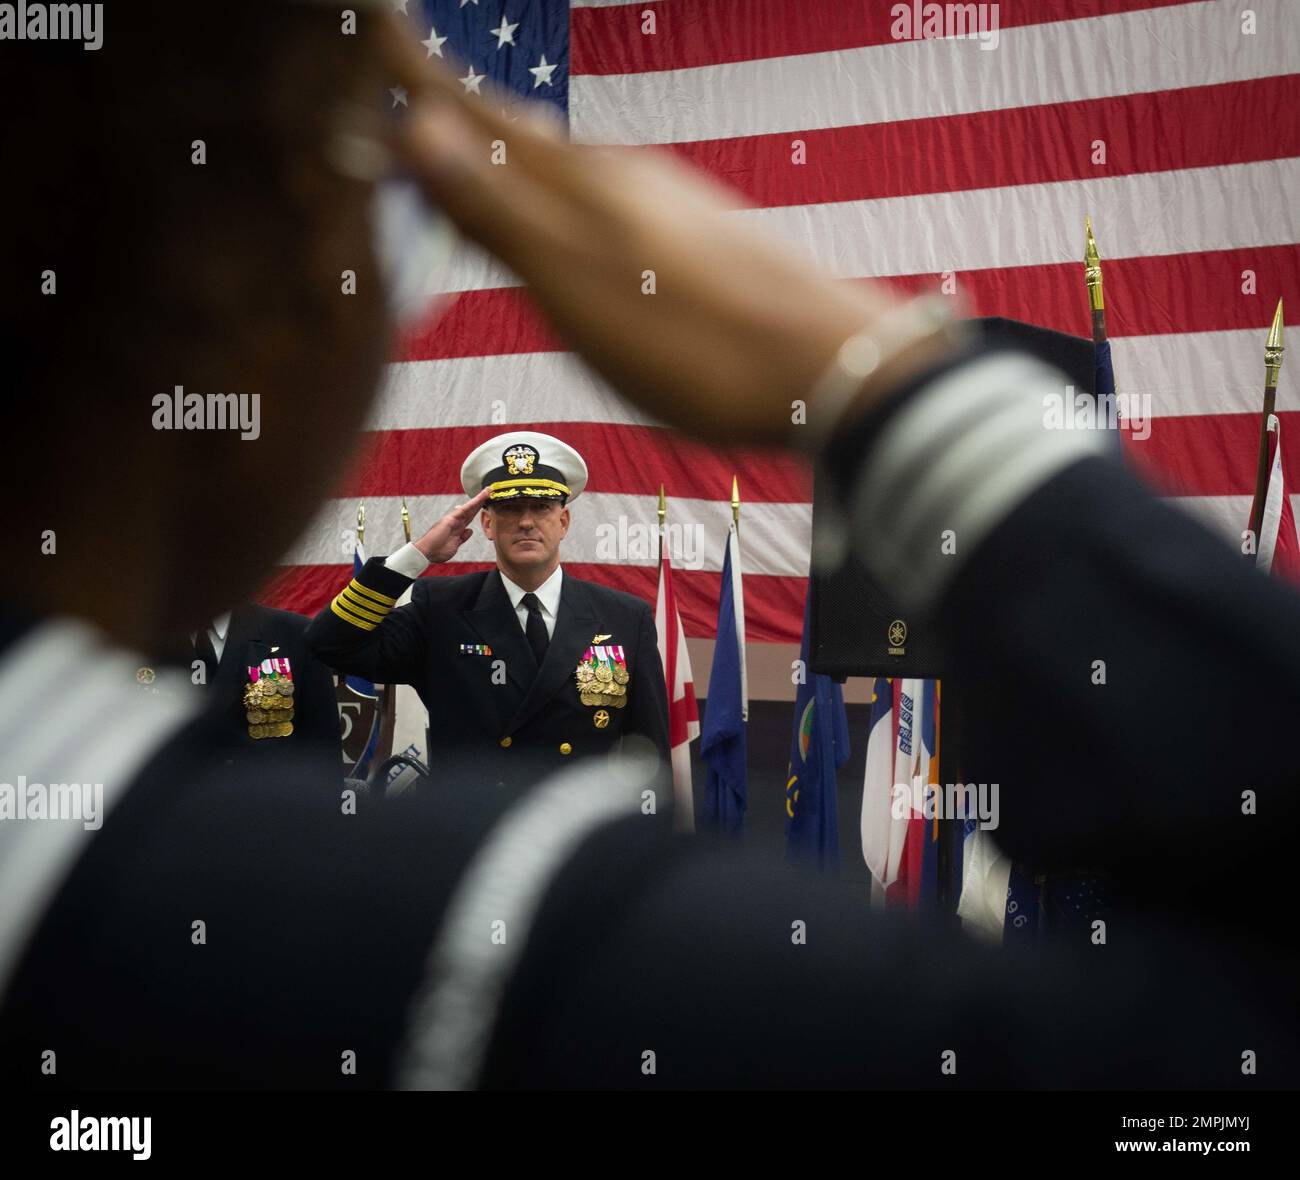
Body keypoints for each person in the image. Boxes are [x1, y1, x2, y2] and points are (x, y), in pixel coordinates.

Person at [1, 4, 1294, 1092]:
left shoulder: (615, 627)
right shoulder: (472, 942)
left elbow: (663, 755)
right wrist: (883, 386)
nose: (519, 521)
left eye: (536, 506)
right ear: (269, 303)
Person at [306, 432, 669, 788]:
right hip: (471, 833)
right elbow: (331, 645)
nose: (526, 522)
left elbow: (647, 754)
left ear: (563, 522)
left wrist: (647, 843)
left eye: (542, 507)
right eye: (510, 509)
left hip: (577, 833)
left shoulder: (624, 617)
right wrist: (417, 556)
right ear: (486, 523)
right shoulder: (442, 609)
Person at [186, 604, 344, 787]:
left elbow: (322, 758)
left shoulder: (297, 635)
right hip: (166, 807)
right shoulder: (148, 640)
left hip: (264, 807)